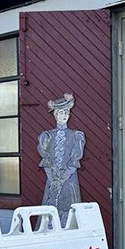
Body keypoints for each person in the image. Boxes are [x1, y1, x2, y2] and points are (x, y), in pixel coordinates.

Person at [38, 93, 85, 226]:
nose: (64, 116)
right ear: (55, 115)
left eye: (66, 113)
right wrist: (53, 179)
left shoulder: (75, 136)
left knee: (69, 207)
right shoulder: (47, 136)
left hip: (69, 179)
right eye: (61, 113)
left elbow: (75, 159)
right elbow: (46, 159)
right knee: (51, 205)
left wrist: (63, 178)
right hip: (52, 178)